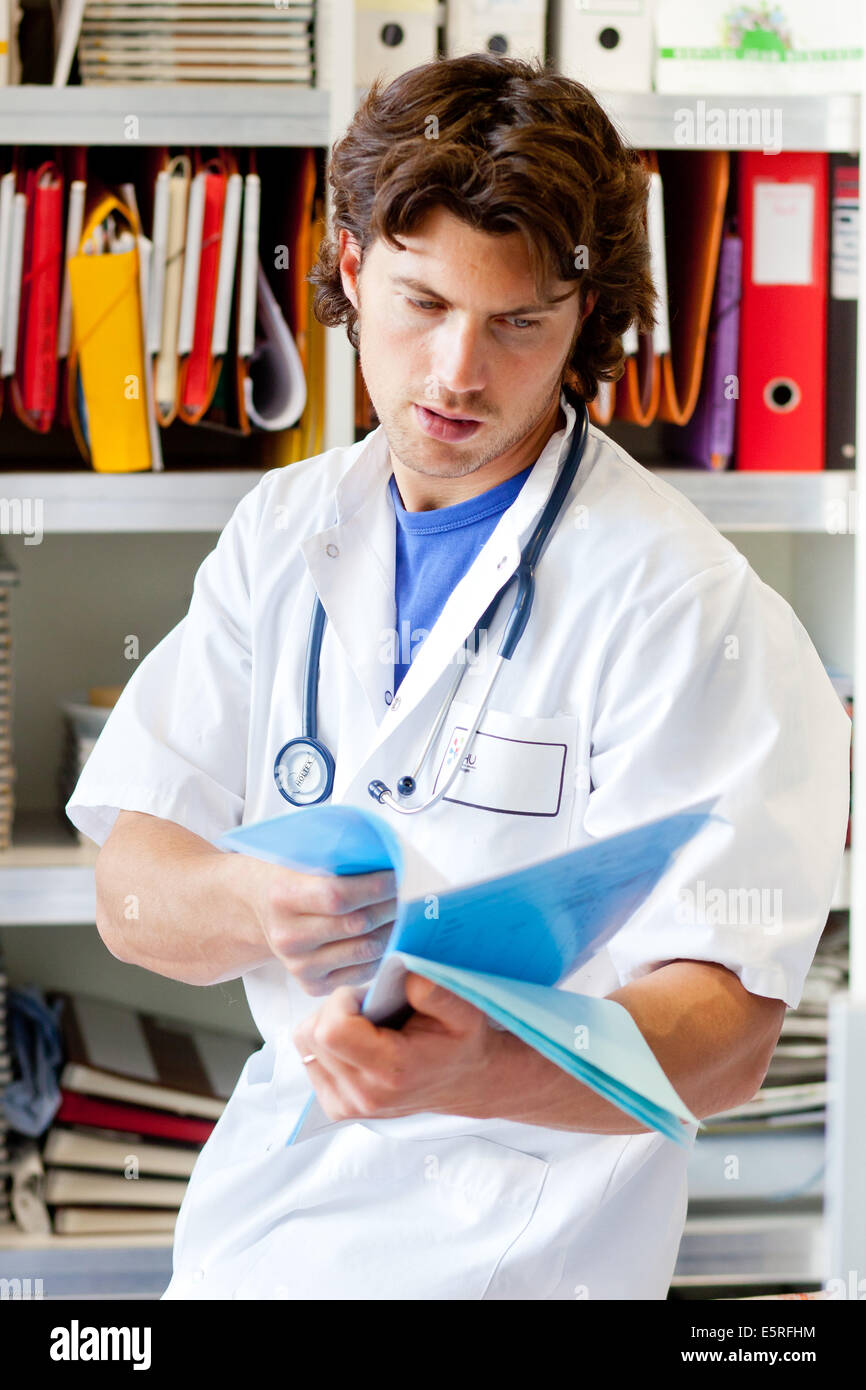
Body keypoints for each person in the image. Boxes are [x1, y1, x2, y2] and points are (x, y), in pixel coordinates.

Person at [67, 54, 851, 1300]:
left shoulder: (684, 605)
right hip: (262, 1239)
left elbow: (726, 1041)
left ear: (583, 318)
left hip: (524, 1261)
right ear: (347, 268)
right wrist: (254, 899)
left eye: (516, 322)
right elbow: (131, 891)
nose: (454, 373)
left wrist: (478, 1067)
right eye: (422, 302)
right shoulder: (286, 529)